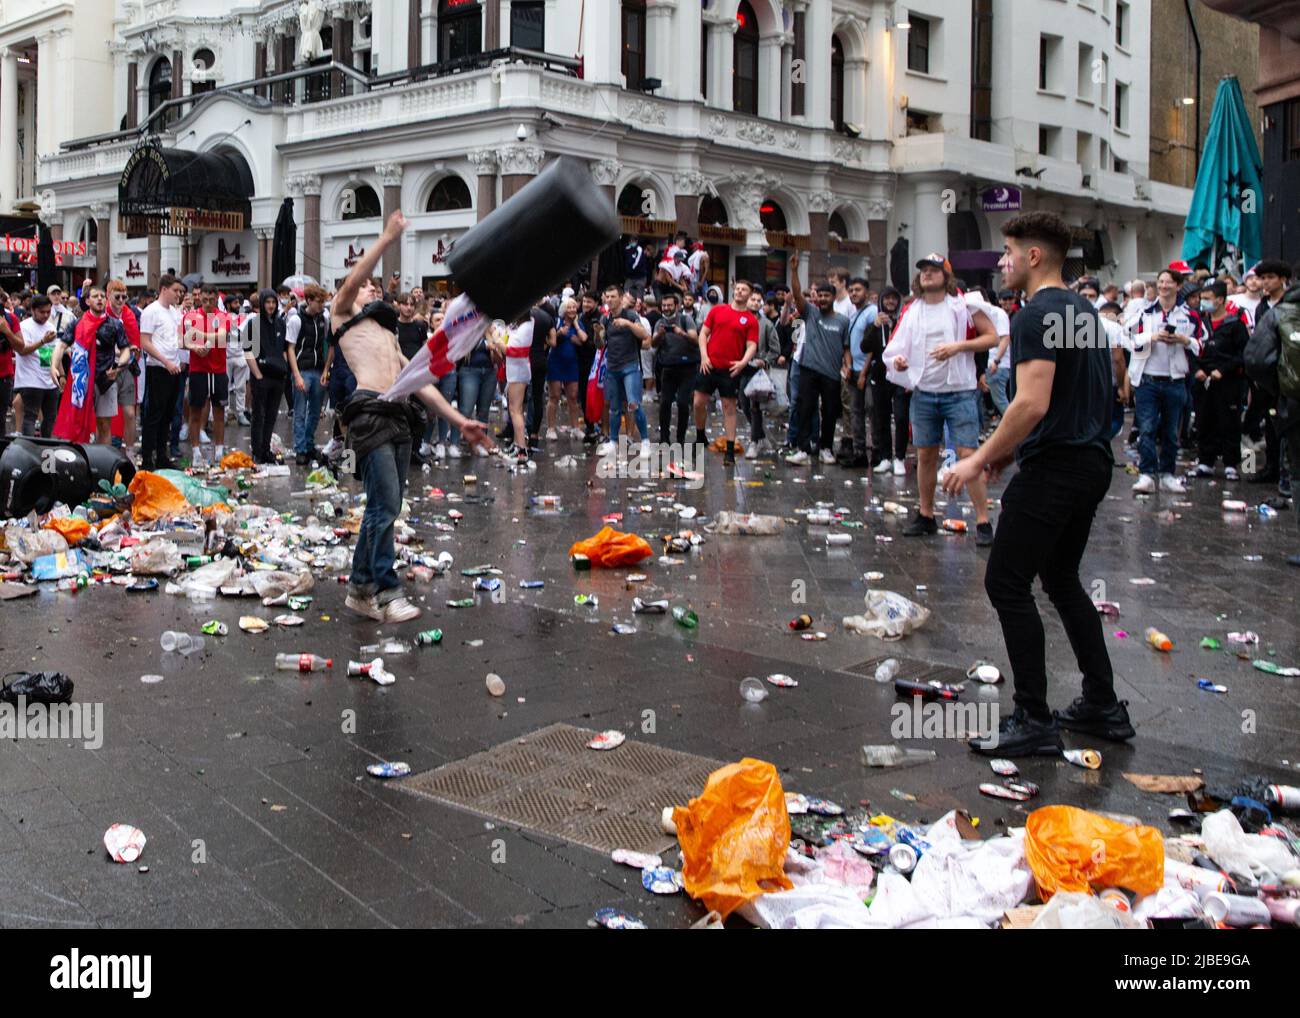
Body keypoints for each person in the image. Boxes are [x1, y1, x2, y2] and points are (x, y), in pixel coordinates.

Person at [943, 211, 1133, 756]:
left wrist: (978, 458)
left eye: (1007, 251)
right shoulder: (1083, 311)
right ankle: (1101, 703)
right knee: (1061, 579)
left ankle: (1033, 718)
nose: (1000, 262)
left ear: (1033, 257)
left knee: (1006, 582)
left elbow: (1031, 402)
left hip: (1057, 468)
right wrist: (1011, 452)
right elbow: (1076, 397)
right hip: (1091, 461)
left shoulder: (1032, 315)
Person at [333, 211, 490, 622]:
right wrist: (386, 238)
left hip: (398, 414)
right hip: (368, 412)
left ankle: (359, 588)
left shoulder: (385, 333)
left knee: (386, 505)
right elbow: (352, 282)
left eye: (372, 286)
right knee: (385, 505)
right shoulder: (343, 315)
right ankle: (386, 591)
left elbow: (419, 380)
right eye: (369, 286)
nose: (370, 288)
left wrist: (459, 421)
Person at [882, 253, 998, 543]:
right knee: (925, 454)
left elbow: (992, 337)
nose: (927, 274)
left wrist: (958, 347)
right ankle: (926, 515)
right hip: (924, 393)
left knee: (968, 454)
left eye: (934, 270)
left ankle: (983, 521)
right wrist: (899, 361)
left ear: (946, 276)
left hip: (959, 392)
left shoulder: (963, 306)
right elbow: (897, 347)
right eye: (923, 270)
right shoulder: (912, 310)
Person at [1129, 268, 1205, 495]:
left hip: (1175, 380)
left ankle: (1168, 474)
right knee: (1147, 428)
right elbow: (1131, 339)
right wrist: (1152, 337)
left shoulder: (1189, 315)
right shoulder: (1145, 312)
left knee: (1172, 431)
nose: (1163, 286)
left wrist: (1183, 339)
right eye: (1160, 282)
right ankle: (1146, 474)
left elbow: (1202, 345)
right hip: (1147, 379)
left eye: (1168, 282)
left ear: (1177, 286)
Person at [692, 279, 759, 466]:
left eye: (743, 289)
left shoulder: (751, 320)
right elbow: (703, 334)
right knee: (698, 402)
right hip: (709, 364)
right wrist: (704, 356)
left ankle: (729, 450)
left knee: (729, 408)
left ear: (750, 294)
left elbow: (752, 345)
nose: (739, 292)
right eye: (737, 288)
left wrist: (742, 363)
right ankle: (700, 435)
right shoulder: (717, 310)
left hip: (730, 368)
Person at [1192, 280, 1249, 480]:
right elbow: (1191, 350)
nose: (1203, 303)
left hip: (1228, 382)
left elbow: (1243, 354)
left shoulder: (1234, 324)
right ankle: (1205, 461)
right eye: (1202, 299)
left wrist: (1223, 370)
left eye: (1207, 299)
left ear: (1220, 300)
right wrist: (1196, 369)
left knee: (1229, 422)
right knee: (1204, 420)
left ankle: (1231, 463)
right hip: (1203, 380)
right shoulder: (1199, 323)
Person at [596, 284, 651, 456]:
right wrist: (597, 334)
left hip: (630, 366)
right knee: (613, 407)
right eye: (607, 297)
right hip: (612, 367)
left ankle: (645, 442)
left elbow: (644, 336)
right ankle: (612, 441)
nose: (610, 300)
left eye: (613, 296)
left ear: (620, 298)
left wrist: (627, 323)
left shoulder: (631, 315)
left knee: (633, 404)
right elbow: (599, 345)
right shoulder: (605, 319)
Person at [50, 288, 110, 444]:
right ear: (88, 301)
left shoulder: (113, 324)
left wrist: (119, 367)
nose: (99, 299)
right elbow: (61, 346)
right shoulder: (77, 324)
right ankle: (78, 455)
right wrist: (53, 367)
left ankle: (102, 462)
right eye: (95, 296)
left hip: (106, 380)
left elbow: (124, 347)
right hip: (81, 381)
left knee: (103, 424)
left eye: (103, 296)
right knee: (77, 420)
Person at [182, 285, 230, 466]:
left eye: (212, 300)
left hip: (218, 370)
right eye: (205, 300)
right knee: (195, 412)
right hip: (198, 369)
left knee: (219, 412)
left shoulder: (223, 316)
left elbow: (222, 337)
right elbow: (182, 341)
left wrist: (198, 335)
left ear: (217, 298)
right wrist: (195, 346)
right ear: (199, 298)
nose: (208, 304)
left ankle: (219, 450)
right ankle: (195, 452)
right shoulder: (190, 316)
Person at [287, 284, 331, 464]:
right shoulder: (296, 319)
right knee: (299, 412)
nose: (321, 306)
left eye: (323, 302)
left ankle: (309, 444)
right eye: (319, 302)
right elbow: (290, 348)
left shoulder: (324, 319)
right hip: (303, 369)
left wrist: (326, 370)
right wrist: (296, 375)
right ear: (309, 301)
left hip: (318, 369)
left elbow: (328, 345)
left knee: (314, 411)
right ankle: (300, 449)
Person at [866, 287, 907, 475]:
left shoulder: (904, 321)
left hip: (900, 377)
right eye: (887, 299)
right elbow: (864, 346)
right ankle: (885, 457)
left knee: (900, 417)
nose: (890, 302)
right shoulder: (876, 323)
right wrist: (874, 326)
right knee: (880, 418)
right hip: (880, 376)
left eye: (893, 299)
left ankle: (900, 457)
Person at [244, 289, 288, 464]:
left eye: (273, 302)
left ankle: (265, 449)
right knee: (258, 416)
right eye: (267, 302)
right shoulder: (253, 324)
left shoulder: (280, 323)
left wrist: (285, 370)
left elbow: (284, 349)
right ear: (261, 303)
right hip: (261, 376)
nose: (271, 306)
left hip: (278, 377)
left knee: (271, 416)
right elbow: (248, 352)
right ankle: (257, 451)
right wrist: (258, 375)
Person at [7, 294, 59, 437]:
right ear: (33, 310)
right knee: (30, 416)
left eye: (48, 312)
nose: (46, 315)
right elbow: (22, 350)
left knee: (50, 418)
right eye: (42, 312)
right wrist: (43, 340)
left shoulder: (51, 327)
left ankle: (46, 448)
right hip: (30, 381)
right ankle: (28, 448)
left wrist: (61, 375)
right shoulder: (24, 327)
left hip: (50, 382)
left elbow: (54, 353)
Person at [651, 291, 698, 446]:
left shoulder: (686, 319)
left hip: (687, 368)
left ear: (677, 306)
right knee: (665, 403)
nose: (666, 308)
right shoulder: (660, 323)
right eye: (664, 306)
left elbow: (695, 339)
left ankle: (681, 438)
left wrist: (681, 333)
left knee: (683, 403)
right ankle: (664, 437)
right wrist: (660, 335)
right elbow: (653, 343)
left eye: (669, 305)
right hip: (668, 368)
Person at [738, 289, 781, 459]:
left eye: (758, 300)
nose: (755, 302)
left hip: (757, 370)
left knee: (755, 407)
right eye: (752, 299)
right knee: (744, 404)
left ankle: (754, 441)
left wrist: (766, 360)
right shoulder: (740, 320)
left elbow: (775, 349)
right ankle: (761, 436)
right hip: (741, 367)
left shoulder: (767, 324)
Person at [843, 277, 877, 467]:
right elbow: (847, 345)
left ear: (866, 291)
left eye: (857, 290)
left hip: (868, 371)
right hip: (853, 371)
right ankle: (859, 452)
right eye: (851, 291)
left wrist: (863, 373)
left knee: (871, 410)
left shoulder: (872, 313)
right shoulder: (853, 316)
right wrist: (848, 366)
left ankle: (878, 452)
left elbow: (872, 346)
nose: (854, 294)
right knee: (856, 413)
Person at [106, 280, 142, 452]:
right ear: (109, 295)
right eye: (117, 296)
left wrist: (133, 350)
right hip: (107, 369)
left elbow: (135, 340)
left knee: (129, 413)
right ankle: (106, 452)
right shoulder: (102, 313)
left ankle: (130, 453)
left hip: (126, 369)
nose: (121, 300)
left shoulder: (129, 315)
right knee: (106, 414)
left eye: (124, 296)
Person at [546, 297, 586, 439]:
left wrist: (575, 328)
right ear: (564, 309)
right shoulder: (556, 322)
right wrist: (559, 333)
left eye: (574, 307)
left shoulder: (579, 323)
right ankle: (551, 428)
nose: (572, 310)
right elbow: (549, 341)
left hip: (572, 364)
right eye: (569, 307)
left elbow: (583, 341)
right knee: (554, 396)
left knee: (573, 397)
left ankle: (575, 427)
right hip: (556, 362)